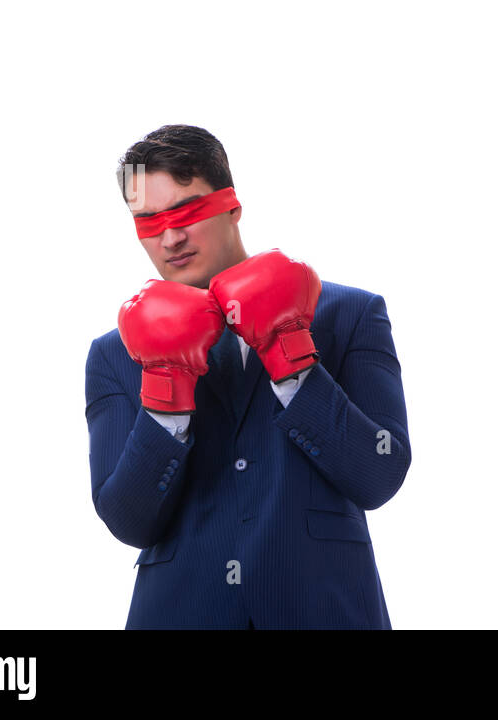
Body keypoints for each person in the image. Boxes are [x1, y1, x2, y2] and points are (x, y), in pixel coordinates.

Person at [85, 125, 410, 629]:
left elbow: (381, 474)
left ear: (233, 206)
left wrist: (292, 358)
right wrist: (164, 391)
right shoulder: (115, 353)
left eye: (186, 212)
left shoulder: (349, 313)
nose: (170, 237)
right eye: (147, 220)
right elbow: (128, 520)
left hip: (324, 611)